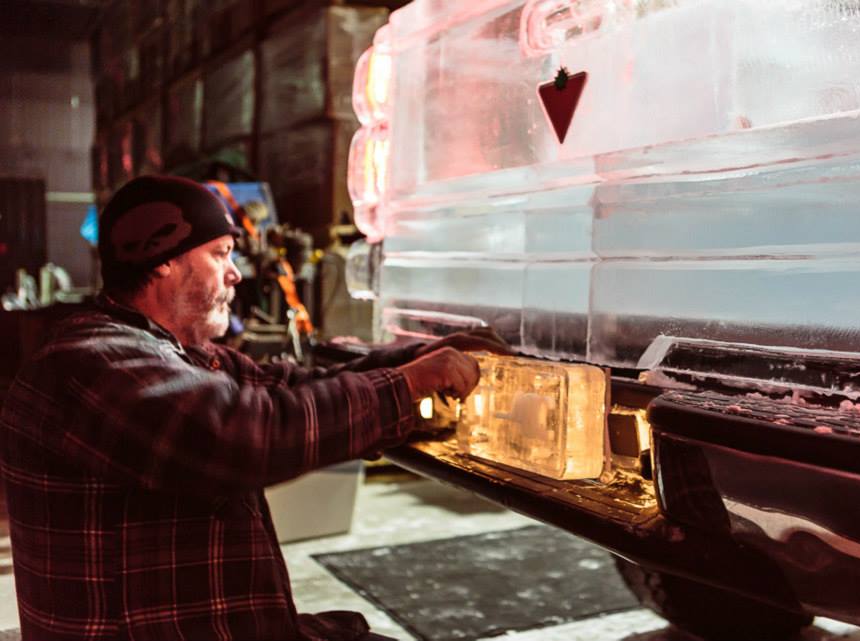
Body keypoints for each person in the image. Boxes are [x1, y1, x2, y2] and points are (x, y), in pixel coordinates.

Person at [0, 175, 511, 641]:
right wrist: (404, 388)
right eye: (221, 253)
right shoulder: (89, 362)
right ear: (162, 258)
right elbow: (238, 435)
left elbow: (292, 385)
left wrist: (419, 360)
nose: (235, 275)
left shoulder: (172, 352)